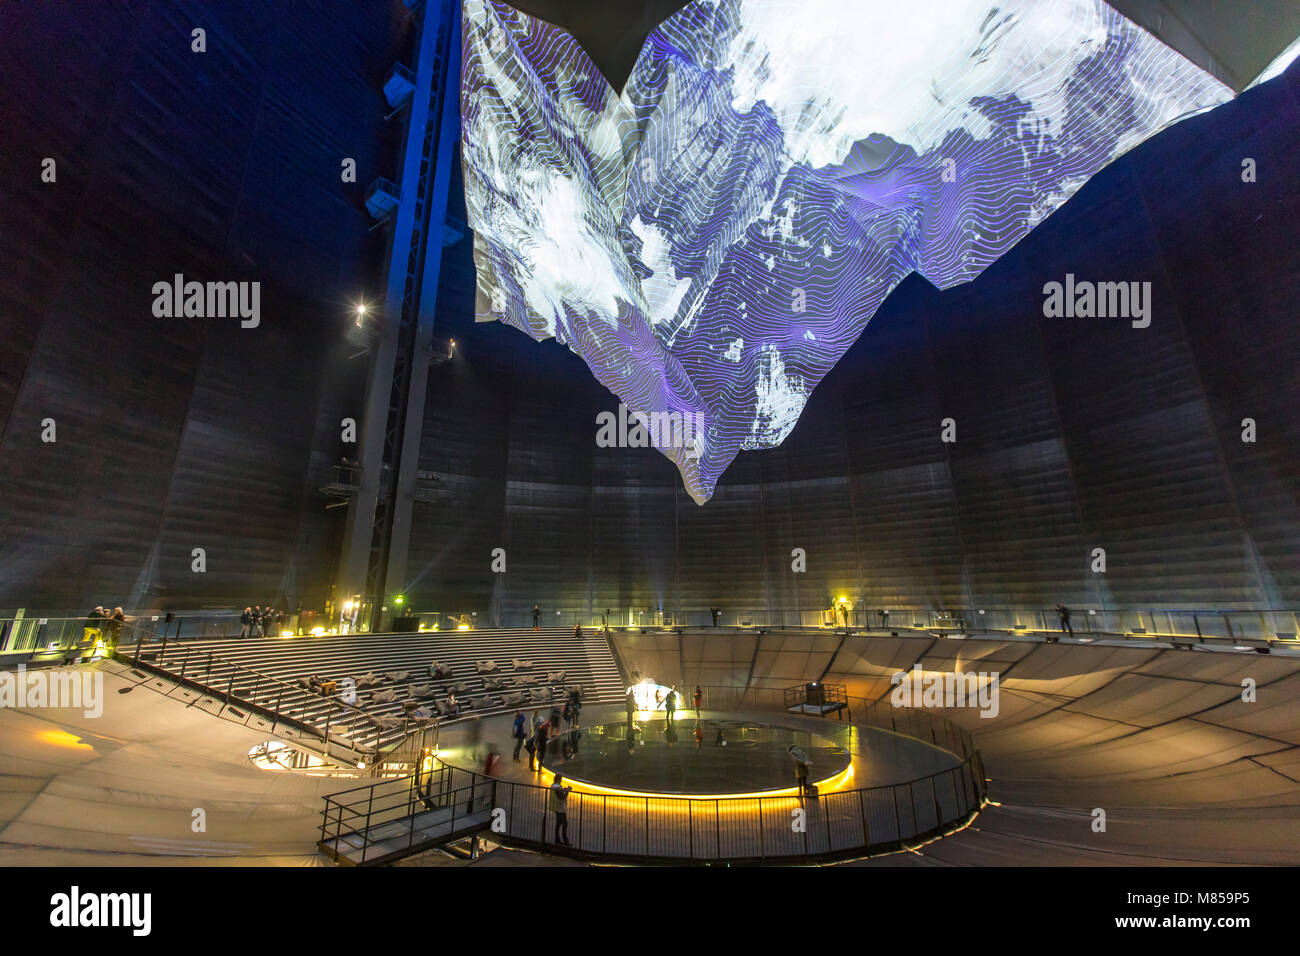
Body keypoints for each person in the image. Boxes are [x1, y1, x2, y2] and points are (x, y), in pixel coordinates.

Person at [550, 774, 572, 845]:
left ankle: (557, 839)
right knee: (565, 824)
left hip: (556, 807)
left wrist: (564, 789)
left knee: (558, 823)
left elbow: (560, 793)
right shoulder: (556, 787)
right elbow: (562, 797)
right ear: (559, 779)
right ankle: (565, 841)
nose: (561, 780)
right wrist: (568, 790)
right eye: (561, 779)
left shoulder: (554, 786)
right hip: (560, 808)